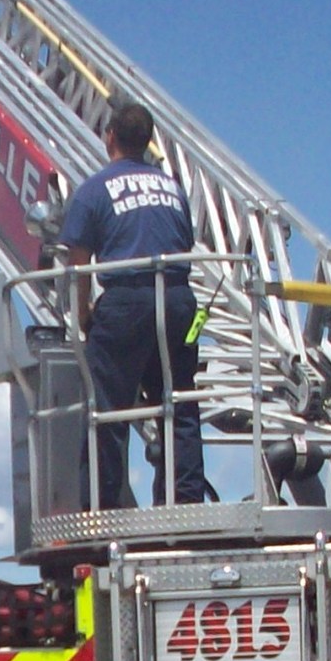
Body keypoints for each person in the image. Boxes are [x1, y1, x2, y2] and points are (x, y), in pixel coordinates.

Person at [60, 100, 208, 510]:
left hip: (126, 303)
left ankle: (101, 507)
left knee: (107, 409)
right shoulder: (173, 188)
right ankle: (185, 501)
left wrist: (85, 314)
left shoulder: (93, 190)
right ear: (148, 142)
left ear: (110, 136)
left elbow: (78, 262)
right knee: (178, 401)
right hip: (179, 301)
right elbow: (183, 243)